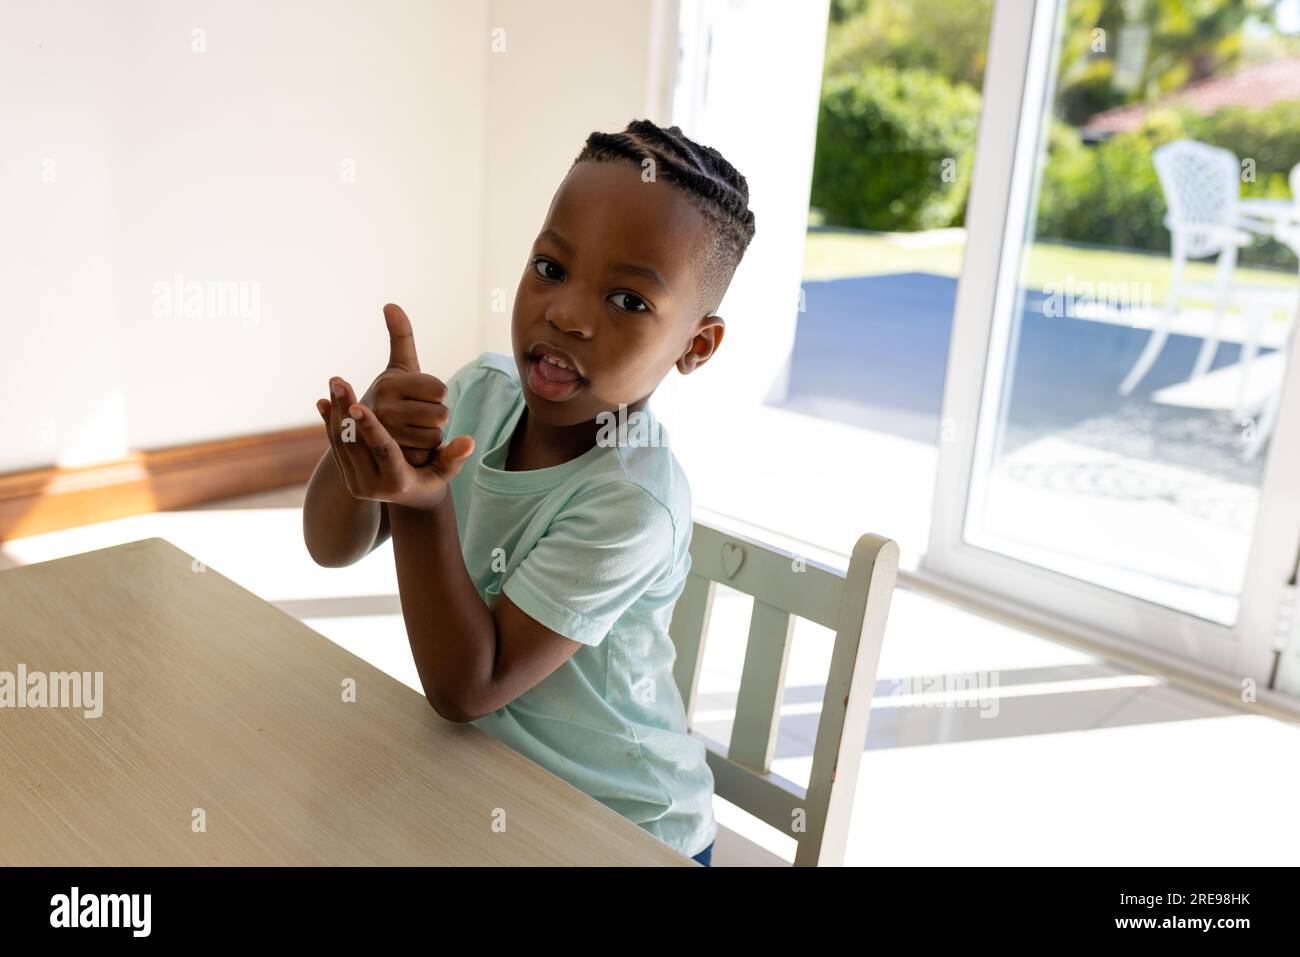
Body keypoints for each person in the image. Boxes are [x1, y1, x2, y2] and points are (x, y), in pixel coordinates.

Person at [304, 119, 755, 865]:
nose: (569, 313)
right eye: (551, 267)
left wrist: (423, 502)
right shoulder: (482, 393)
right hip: (487, 781)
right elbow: (330, 545)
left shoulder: (633, 498)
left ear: (694, 347)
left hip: (622, 825)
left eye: (629, 301)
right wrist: (361, 451)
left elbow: (466, 686)